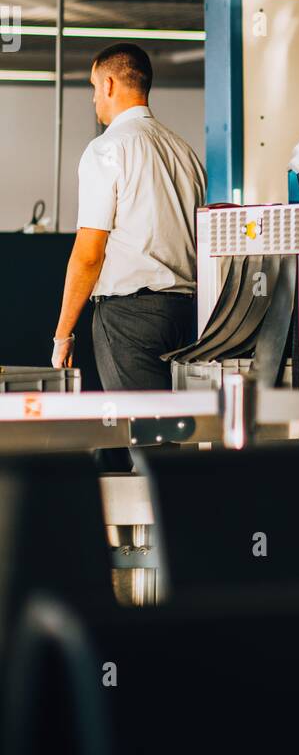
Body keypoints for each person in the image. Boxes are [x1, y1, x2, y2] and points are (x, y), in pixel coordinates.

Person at [52, 44, 206, 470]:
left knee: (150, 446)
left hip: (130, 318)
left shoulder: (106, 149)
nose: (93, 98)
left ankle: (157, 537)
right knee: (166, 437)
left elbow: (88, 254)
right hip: (188, 316)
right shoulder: (183, 151)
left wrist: (63, 334)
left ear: (110, 83)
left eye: (93, 88)